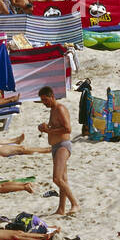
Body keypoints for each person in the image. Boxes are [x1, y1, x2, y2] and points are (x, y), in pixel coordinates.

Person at [38, 85, 78, 216]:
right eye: (42, 100)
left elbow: (67, 129)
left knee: (57, 178)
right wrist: (45, 127)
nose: (44, 103)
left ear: (52, 96)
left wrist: (49, 130)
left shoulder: (60, 108)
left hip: (63, 145)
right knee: (63, 179)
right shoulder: (52, 110)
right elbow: (55, 127)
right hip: (56, 146)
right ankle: (61, 209)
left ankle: (75, 204)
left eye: (45, 99)